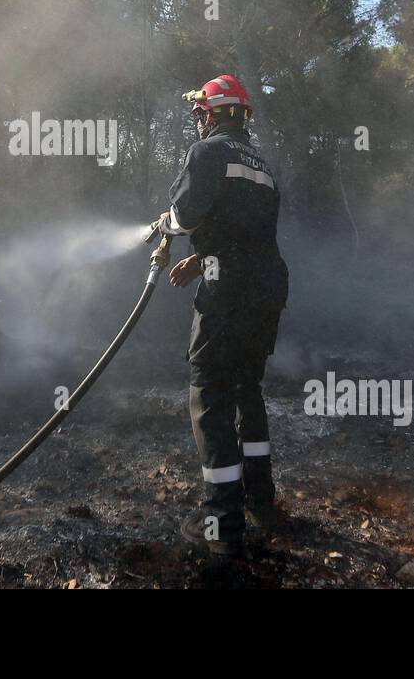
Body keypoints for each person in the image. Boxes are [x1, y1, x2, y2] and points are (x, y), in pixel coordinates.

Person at [154, 74, 289, 557]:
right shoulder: (263, 166)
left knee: (209, 392)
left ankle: (222, 524)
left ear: (211, 113)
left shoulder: (207, 153)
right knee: (247, 389)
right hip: (267, 286)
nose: (198, 123)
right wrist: (203, 255)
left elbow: (187, 216)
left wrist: (168, 227)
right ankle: (261, 500)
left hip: (228, 291)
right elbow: (245, 234)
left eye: (200, 115)